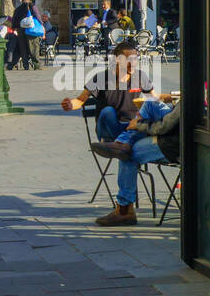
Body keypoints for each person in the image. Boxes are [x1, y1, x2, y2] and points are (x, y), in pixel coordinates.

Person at [60, 37, 157, 225]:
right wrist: (71, 104)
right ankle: (121, 143)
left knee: (130, 147)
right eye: (129, 59)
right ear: (117, 60)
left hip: (130, 129)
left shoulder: (141, 77)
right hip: (109, 129)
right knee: (107, 111)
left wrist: (170, 98)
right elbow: (82, 99)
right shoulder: (102, 77)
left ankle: (124, 208)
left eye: (136, 58)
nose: (133, 62)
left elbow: (154, 99)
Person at [12, 0, 42, 70]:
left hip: (20, 30)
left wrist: (14, 28)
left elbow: (14, 20)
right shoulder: (33, 7)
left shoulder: (18, 9)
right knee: (34, 47)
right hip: (31, 30)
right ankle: (36, 65)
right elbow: (38, 16)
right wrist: (41, 25)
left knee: (23, 48)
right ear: (30, 0)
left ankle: (26, 66)